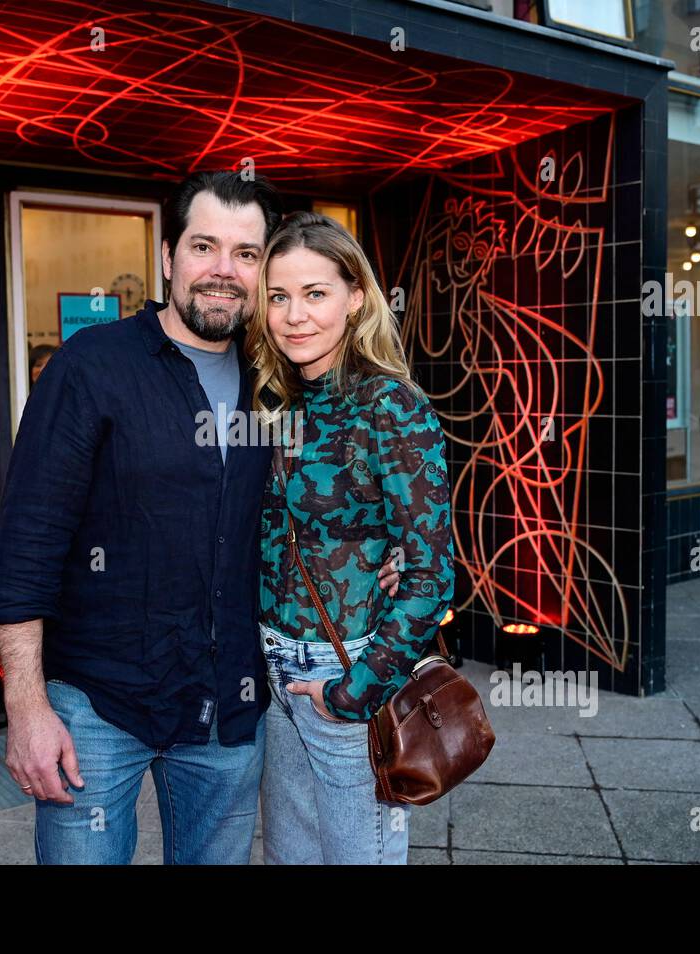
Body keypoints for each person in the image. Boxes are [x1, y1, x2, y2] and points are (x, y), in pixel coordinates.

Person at [0, 171, 401, 865]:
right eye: (204, 247)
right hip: (97, 707)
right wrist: (25, 708)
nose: (223, 271)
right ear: (168, 256)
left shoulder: (279, 381)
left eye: (245, 254)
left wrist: (387, 551)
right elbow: (26, 543)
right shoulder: (94, 366)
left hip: (227, 711)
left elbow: (337, 494)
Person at [249, 211, 455, 864]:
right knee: (291, 858)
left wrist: (354, 692)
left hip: (346, 671)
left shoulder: (392, 407)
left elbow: (432, 576)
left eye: (315, 293)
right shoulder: (281, 401)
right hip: (279, 677)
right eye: (278, 296)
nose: (294, 315)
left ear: (356, 297)